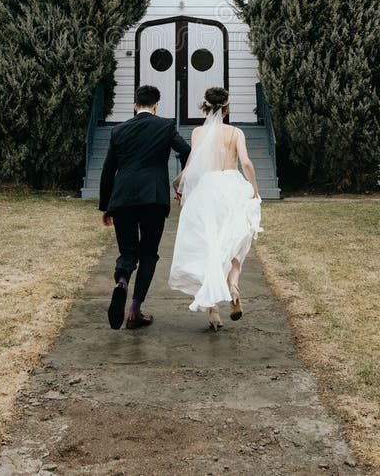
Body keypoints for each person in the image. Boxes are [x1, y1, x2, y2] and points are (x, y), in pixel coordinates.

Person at [168, 87, 262, 331]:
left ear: (205, 107)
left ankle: (213, 311)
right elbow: (246, 162)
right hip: (232, 187)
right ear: (227, 108)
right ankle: (233, 286)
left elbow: (193, 166)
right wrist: (254, 188)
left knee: (209, 246)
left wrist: (178, 183)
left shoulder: (198, 133)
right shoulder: (236, 132)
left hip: (208, 189)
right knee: (233, 244)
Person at [99, 85, 191, 330]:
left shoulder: (118, 131)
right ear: (156, 106)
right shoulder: (165, 126)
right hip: (154, 199)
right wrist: (181, 185)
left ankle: (121, 282)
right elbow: (186, 150)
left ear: (135, 105)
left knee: (127, 252)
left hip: (123, 199)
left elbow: (108, 170)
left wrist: (105, 206)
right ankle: (135, 311)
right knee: (149, 253)